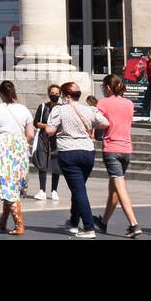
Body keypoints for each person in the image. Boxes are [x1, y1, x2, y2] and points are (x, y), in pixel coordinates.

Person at [46, 81, 109, 238]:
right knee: (78, 187)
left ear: (66, 95)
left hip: (68, 152)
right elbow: (105, 123)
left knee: (79, 190)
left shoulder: (59, 110)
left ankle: (88, 228)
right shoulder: (89, 110)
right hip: (87, 152)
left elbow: (50, 130)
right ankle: (74, 222)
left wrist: (53, 128)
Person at [0, 79, 35, 235]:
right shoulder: (24, 110)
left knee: (8, 186)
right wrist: (19, 144)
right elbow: (30, 134)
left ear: (1, 94)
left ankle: (19, 224)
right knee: (12, 186)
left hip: (3, 150)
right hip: (21, 148)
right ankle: (3, 219)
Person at [95, 74, 143, 237]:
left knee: (120, 187)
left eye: (103, 87)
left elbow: (97, 121)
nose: (103, 90)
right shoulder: (129, 103)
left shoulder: (103, 103)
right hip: (126, 149)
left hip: (112, 148)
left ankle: (134, 224)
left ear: (108, 87)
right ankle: (103, 222)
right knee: (114, 188)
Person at [32, 84, 61, 200]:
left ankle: (54, 190)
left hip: (57, 139)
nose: (54, 95)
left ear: (60, 95)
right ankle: (42, 190)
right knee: (42, 165)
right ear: (49, 94)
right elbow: (36, 123)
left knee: (56, 165)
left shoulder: (62, 108)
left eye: (57, 93)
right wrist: (49, 126)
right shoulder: (43, 107)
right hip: (43, 138)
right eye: (52, 93)